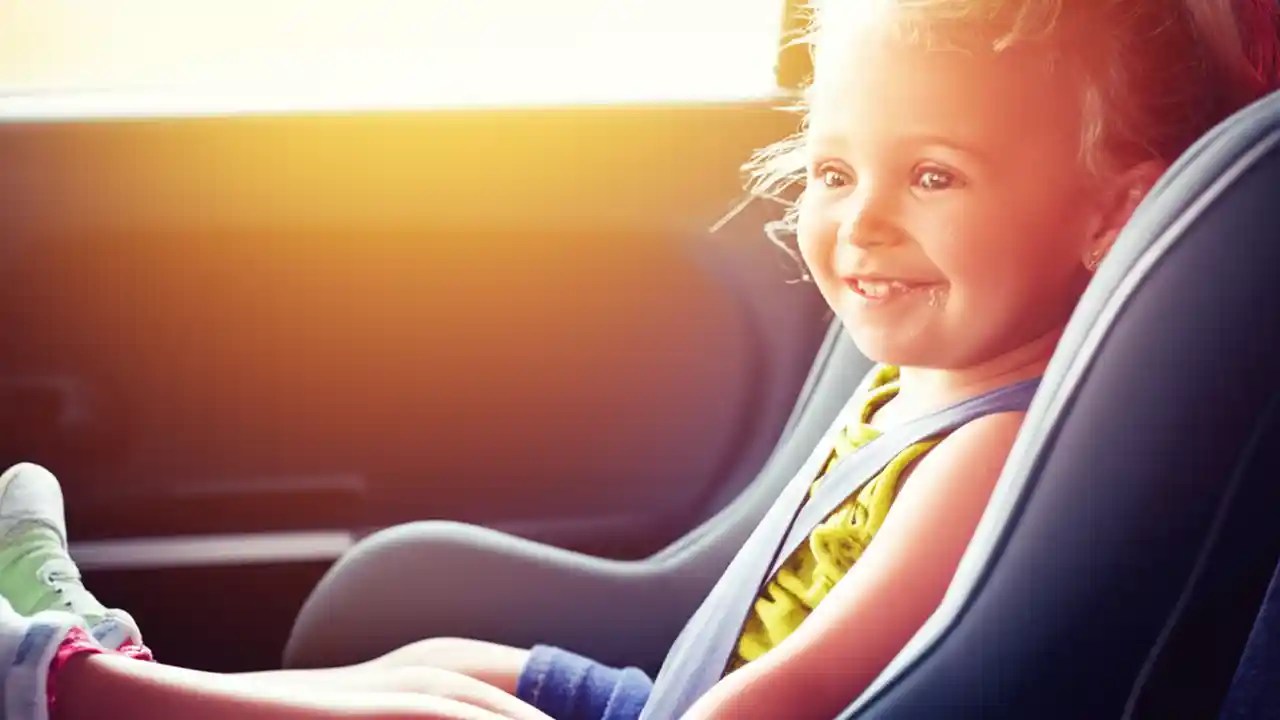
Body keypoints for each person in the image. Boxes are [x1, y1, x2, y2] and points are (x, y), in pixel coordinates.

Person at [3, 1, 1279, 718]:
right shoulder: (929, 358)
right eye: (832, 172)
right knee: (431, 665)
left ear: (1115, 212)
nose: (859, 223)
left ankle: (80, 685)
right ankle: (113, 669)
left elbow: (822, 687)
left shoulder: (993, 440)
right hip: (669, 688)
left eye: (931, 176)